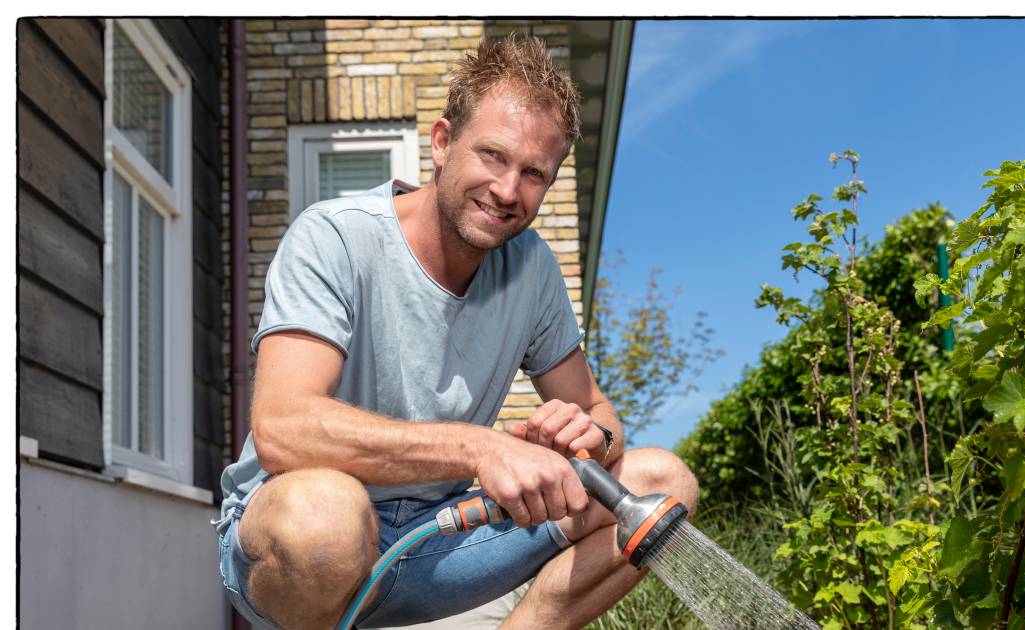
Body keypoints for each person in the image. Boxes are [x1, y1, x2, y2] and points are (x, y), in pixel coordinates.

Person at [213, 34, 699, 630]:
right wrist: (483, 448)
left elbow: (601, 415)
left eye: (533, 173)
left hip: (436, 542)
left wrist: (589, 439)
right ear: (442, 142)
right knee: (326, 517)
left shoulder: (532, 269)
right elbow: (283, 429)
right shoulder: (335, 237)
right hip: (298, 546)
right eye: (493, 155)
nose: (507, 191)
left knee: (662, 484)